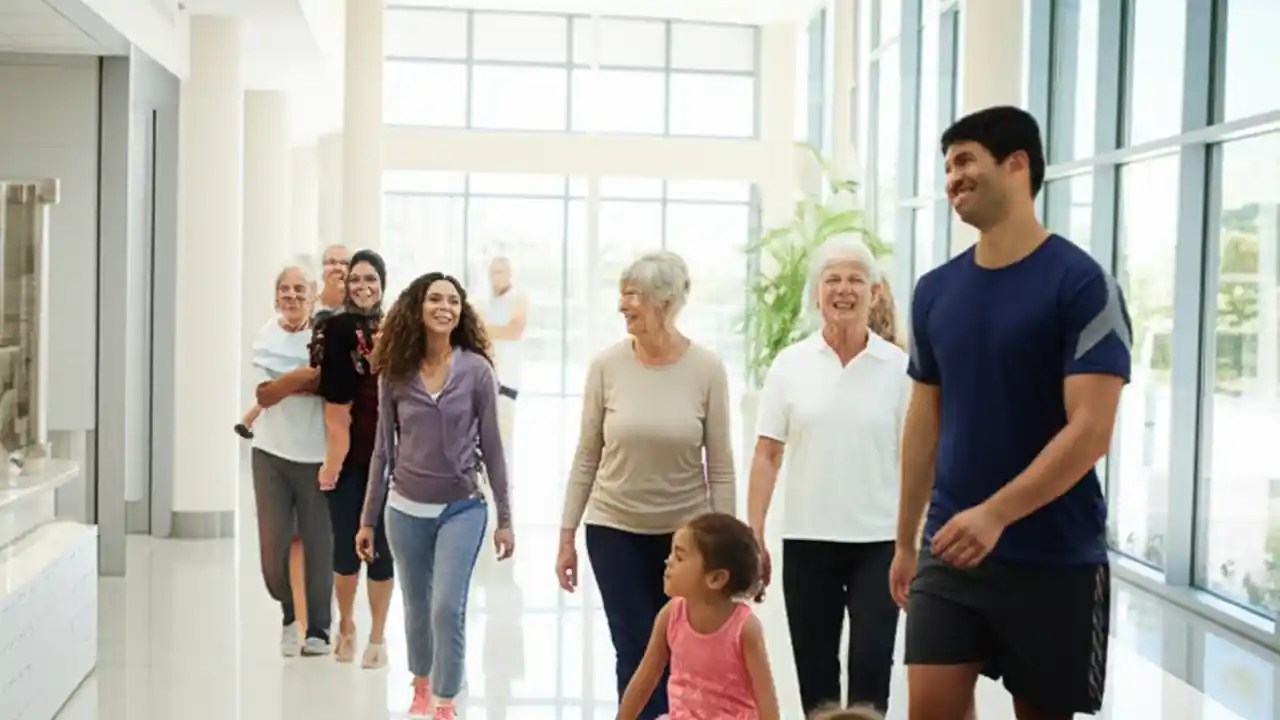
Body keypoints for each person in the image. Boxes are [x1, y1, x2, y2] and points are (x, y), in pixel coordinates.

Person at [891, 106, 1130, 720]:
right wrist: (905, 539)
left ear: (1017, 163)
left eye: (966, 159)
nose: (952, 178)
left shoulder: (1083, 284)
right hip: (950, 550)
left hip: (1054, 559)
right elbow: (924, 421)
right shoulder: (934, 291)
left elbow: (1091, 429)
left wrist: (997, 514)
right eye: (947, 167)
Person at [556, 250, 736, 720]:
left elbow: (720, 465)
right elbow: (586, 454)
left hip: (686, 538)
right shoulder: (606, 367)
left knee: (683, 650)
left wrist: (731, 546)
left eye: (633, 295)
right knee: (635, 648)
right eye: (622, 294)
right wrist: (565, 536)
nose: (623, 305)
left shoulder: (707, 369)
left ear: (667, 302)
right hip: (614, 527)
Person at [746, 236, 908, 716]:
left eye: (856, 279)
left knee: (871, 669)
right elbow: (767, 454)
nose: (844, 289)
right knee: (815, 674)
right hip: (807, 539)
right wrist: (754, 534)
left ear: (874, 292)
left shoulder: (898, 368)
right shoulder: (790, 365)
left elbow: (920, 458)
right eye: (832, 279)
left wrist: (914, 539)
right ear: (817, 292)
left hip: (879, 542)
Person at [360, 271, 515, 720]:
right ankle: (422, 682)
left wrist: (505, 518)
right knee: (416, 604)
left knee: (447, 605)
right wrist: (368, 519)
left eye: (453, 301)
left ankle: (446, 700)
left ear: (461, 311)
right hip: (404, 509)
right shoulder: (395, 373)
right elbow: (382, 452)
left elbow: (494, 449)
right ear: (418, 308)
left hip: (462, 506)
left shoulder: (477, 371)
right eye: (435, 299)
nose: (445, 307)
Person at [248, 265, 334, 657]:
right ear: (275, 295)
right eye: (284, 289)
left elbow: (324, 383)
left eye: (300, 289)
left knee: (319, 544)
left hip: (315, 455)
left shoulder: (324, 335)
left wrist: (291, 384)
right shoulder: (265, 334)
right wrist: (302, 380)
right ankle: (287, 613)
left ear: (313, 296)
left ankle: (317, 627)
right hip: (270, 454)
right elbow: (264, 393)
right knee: (274, 549)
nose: (292, 295)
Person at [617, 512, 780, 720]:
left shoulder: (745, 628)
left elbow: (767, 702)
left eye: (680, 556)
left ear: (716, 578)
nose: (669, 562)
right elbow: (644, 680)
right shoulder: (671, 615)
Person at [314, 249, 394, 668]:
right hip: (350, 459)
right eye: (357, 279)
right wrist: (332, 462)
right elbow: (335, 408)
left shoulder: (397, 328)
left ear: (383, 284)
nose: (364, 287)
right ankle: (346, 623)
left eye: (372, 280)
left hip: (392, 461)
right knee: (347, 547)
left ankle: (378, 635)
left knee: (382, 548)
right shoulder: (338, 328)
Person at [235, 244, 348, 439]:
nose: (336, 267)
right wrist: (293, 382)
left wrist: (282, 385)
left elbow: (325, 381)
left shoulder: (347, 300)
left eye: (342, 262)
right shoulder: (272, 331)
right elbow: (265, 392)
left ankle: (248, 420)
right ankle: (248, 420)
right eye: (331, 262)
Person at [481, 256, 528, 467]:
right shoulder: (486, 301)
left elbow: (514, 330)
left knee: (504, 435)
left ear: (509, 274)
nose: (496, 277)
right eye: (493, 272)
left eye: (500, 272)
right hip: (487, 374)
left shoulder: (518, 298)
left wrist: (486, 330)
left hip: (507, 378)